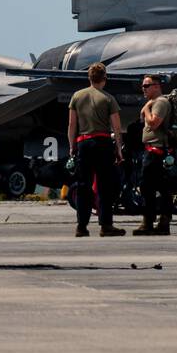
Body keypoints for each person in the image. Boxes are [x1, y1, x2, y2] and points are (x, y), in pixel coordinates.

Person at [68, 62, 125, 237]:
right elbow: (116, 127)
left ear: (89, 78)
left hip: (84, 142)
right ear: (105, 78)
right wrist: (119, 150)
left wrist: (72, 147)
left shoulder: (77, 96)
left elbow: (71, 125)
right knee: (104, 185)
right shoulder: (109, 98)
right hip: (102, 143)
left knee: (83, 185)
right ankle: (106, 225)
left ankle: (81, 226)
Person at [136, 74, 173, 236]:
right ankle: (162, 222)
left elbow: (154, 123)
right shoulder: (156, 102)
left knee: (147, 187)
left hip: (155, 153)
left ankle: (148, 223)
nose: (143, 89)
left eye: (147, 86)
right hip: (155, 151)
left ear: (157, 86)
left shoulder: (160, 103)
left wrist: (145, 109)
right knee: (161, 188)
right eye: (143, 86)